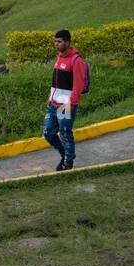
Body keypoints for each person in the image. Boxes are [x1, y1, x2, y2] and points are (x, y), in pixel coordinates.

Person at [43, 29, 88, 172]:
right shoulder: (59, 57)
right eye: (55, 41)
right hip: (53, 103)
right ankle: (65, 154)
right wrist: (50, 98)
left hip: (65, 104)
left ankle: (68, 163)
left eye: (59, 41)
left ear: (67, 43)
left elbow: (78, 86)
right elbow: (57, 82)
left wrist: (69, 104)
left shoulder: (76, 61)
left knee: (65, 133)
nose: (56, 44)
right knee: (48, 133)